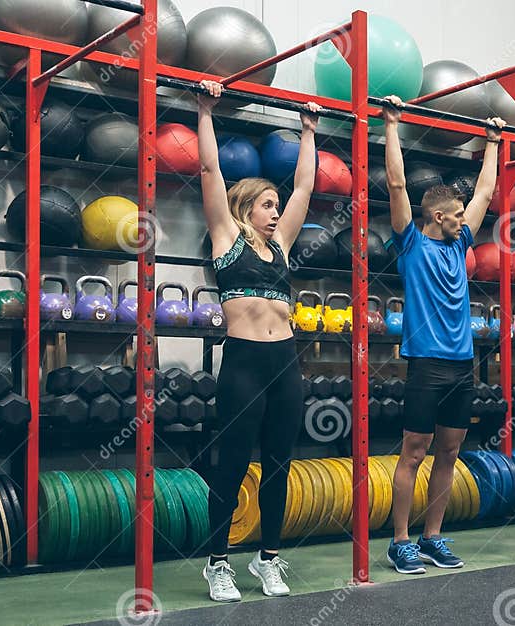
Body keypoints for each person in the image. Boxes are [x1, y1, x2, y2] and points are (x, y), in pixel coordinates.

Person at [196, 79, 321, 601]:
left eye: (276, 205)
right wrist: (205, 111)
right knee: (232, 462)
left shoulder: (283, 246)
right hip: (244, 362)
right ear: (246, 208)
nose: (277, 212)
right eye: (267, 205)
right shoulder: (226, 239)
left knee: (279, 463)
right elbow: (209, 170)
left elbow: (306, 188)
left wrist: (309, 129)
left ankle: (268, 560)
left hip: (284, 362)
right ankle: (218, 562)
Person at [381, 94, 505, 574]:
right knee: (414, 453)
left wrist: (492, 142)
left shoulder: (460, 244)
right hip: (427, 365)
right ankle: (401, 541)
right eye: (456, 215)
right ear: (438, 216)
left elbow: (485, 196)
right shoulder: (411, 241)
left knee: (450, 451)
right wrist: (392, 123)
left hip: (461, 364)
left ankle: (433, 536)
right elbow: (395, 182)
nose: (465, 219)